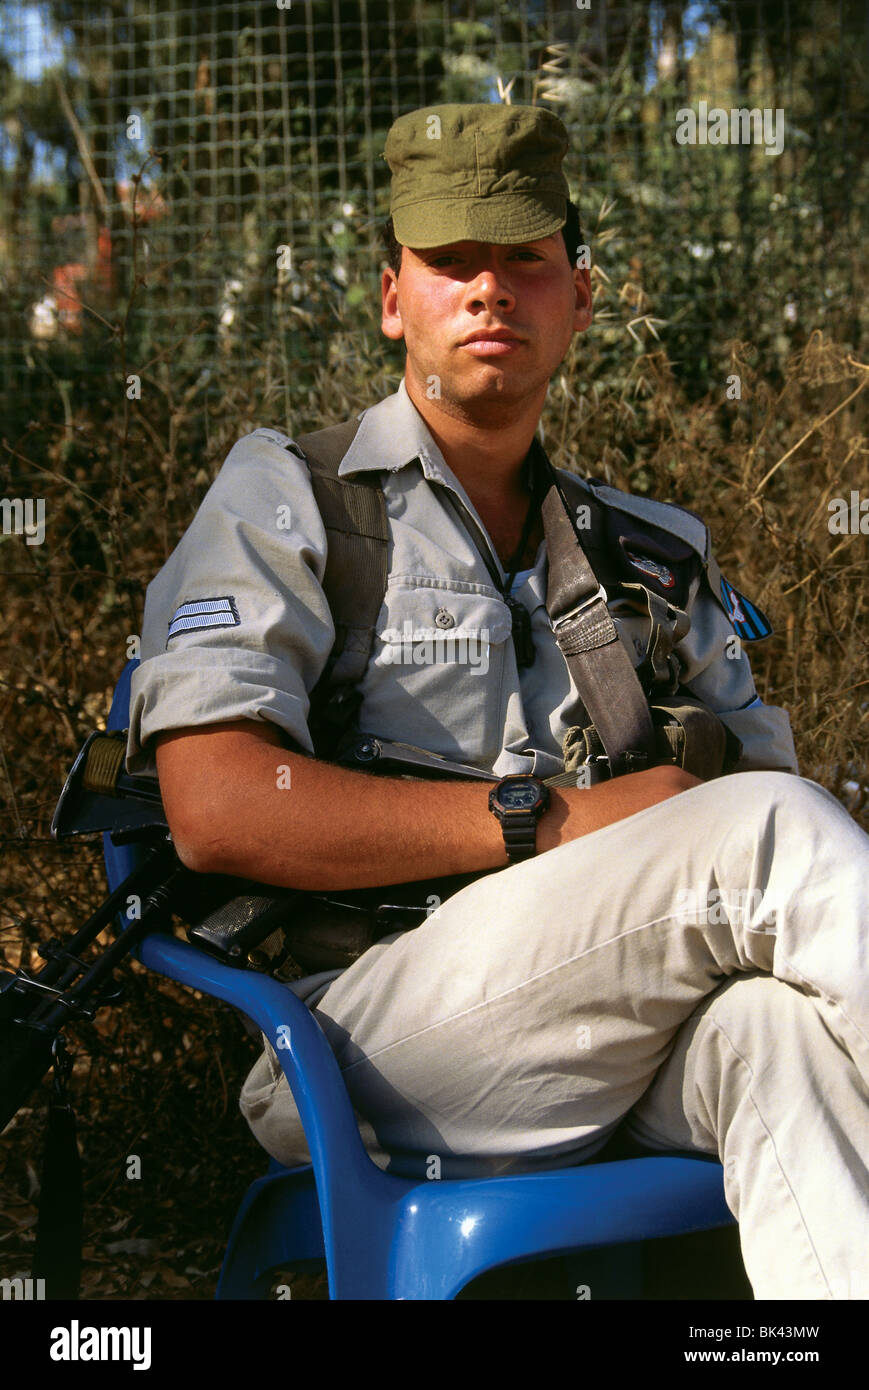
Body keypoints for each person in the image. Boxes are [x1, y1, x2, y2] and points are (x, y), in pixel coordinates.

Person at [126, 104, 869, 1299]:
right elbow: (213, 805)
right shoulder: (294, 497)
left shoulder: (652, 554)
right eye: (449, 262)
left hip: (610, 1029)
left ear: (578, 298)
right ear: (391, 299)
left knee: (777, 1038)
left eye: (523, 260)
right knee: (770, 831)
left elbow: (755, 826)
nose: (487, 291)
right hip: (366, 1036)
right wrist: (549, 819)